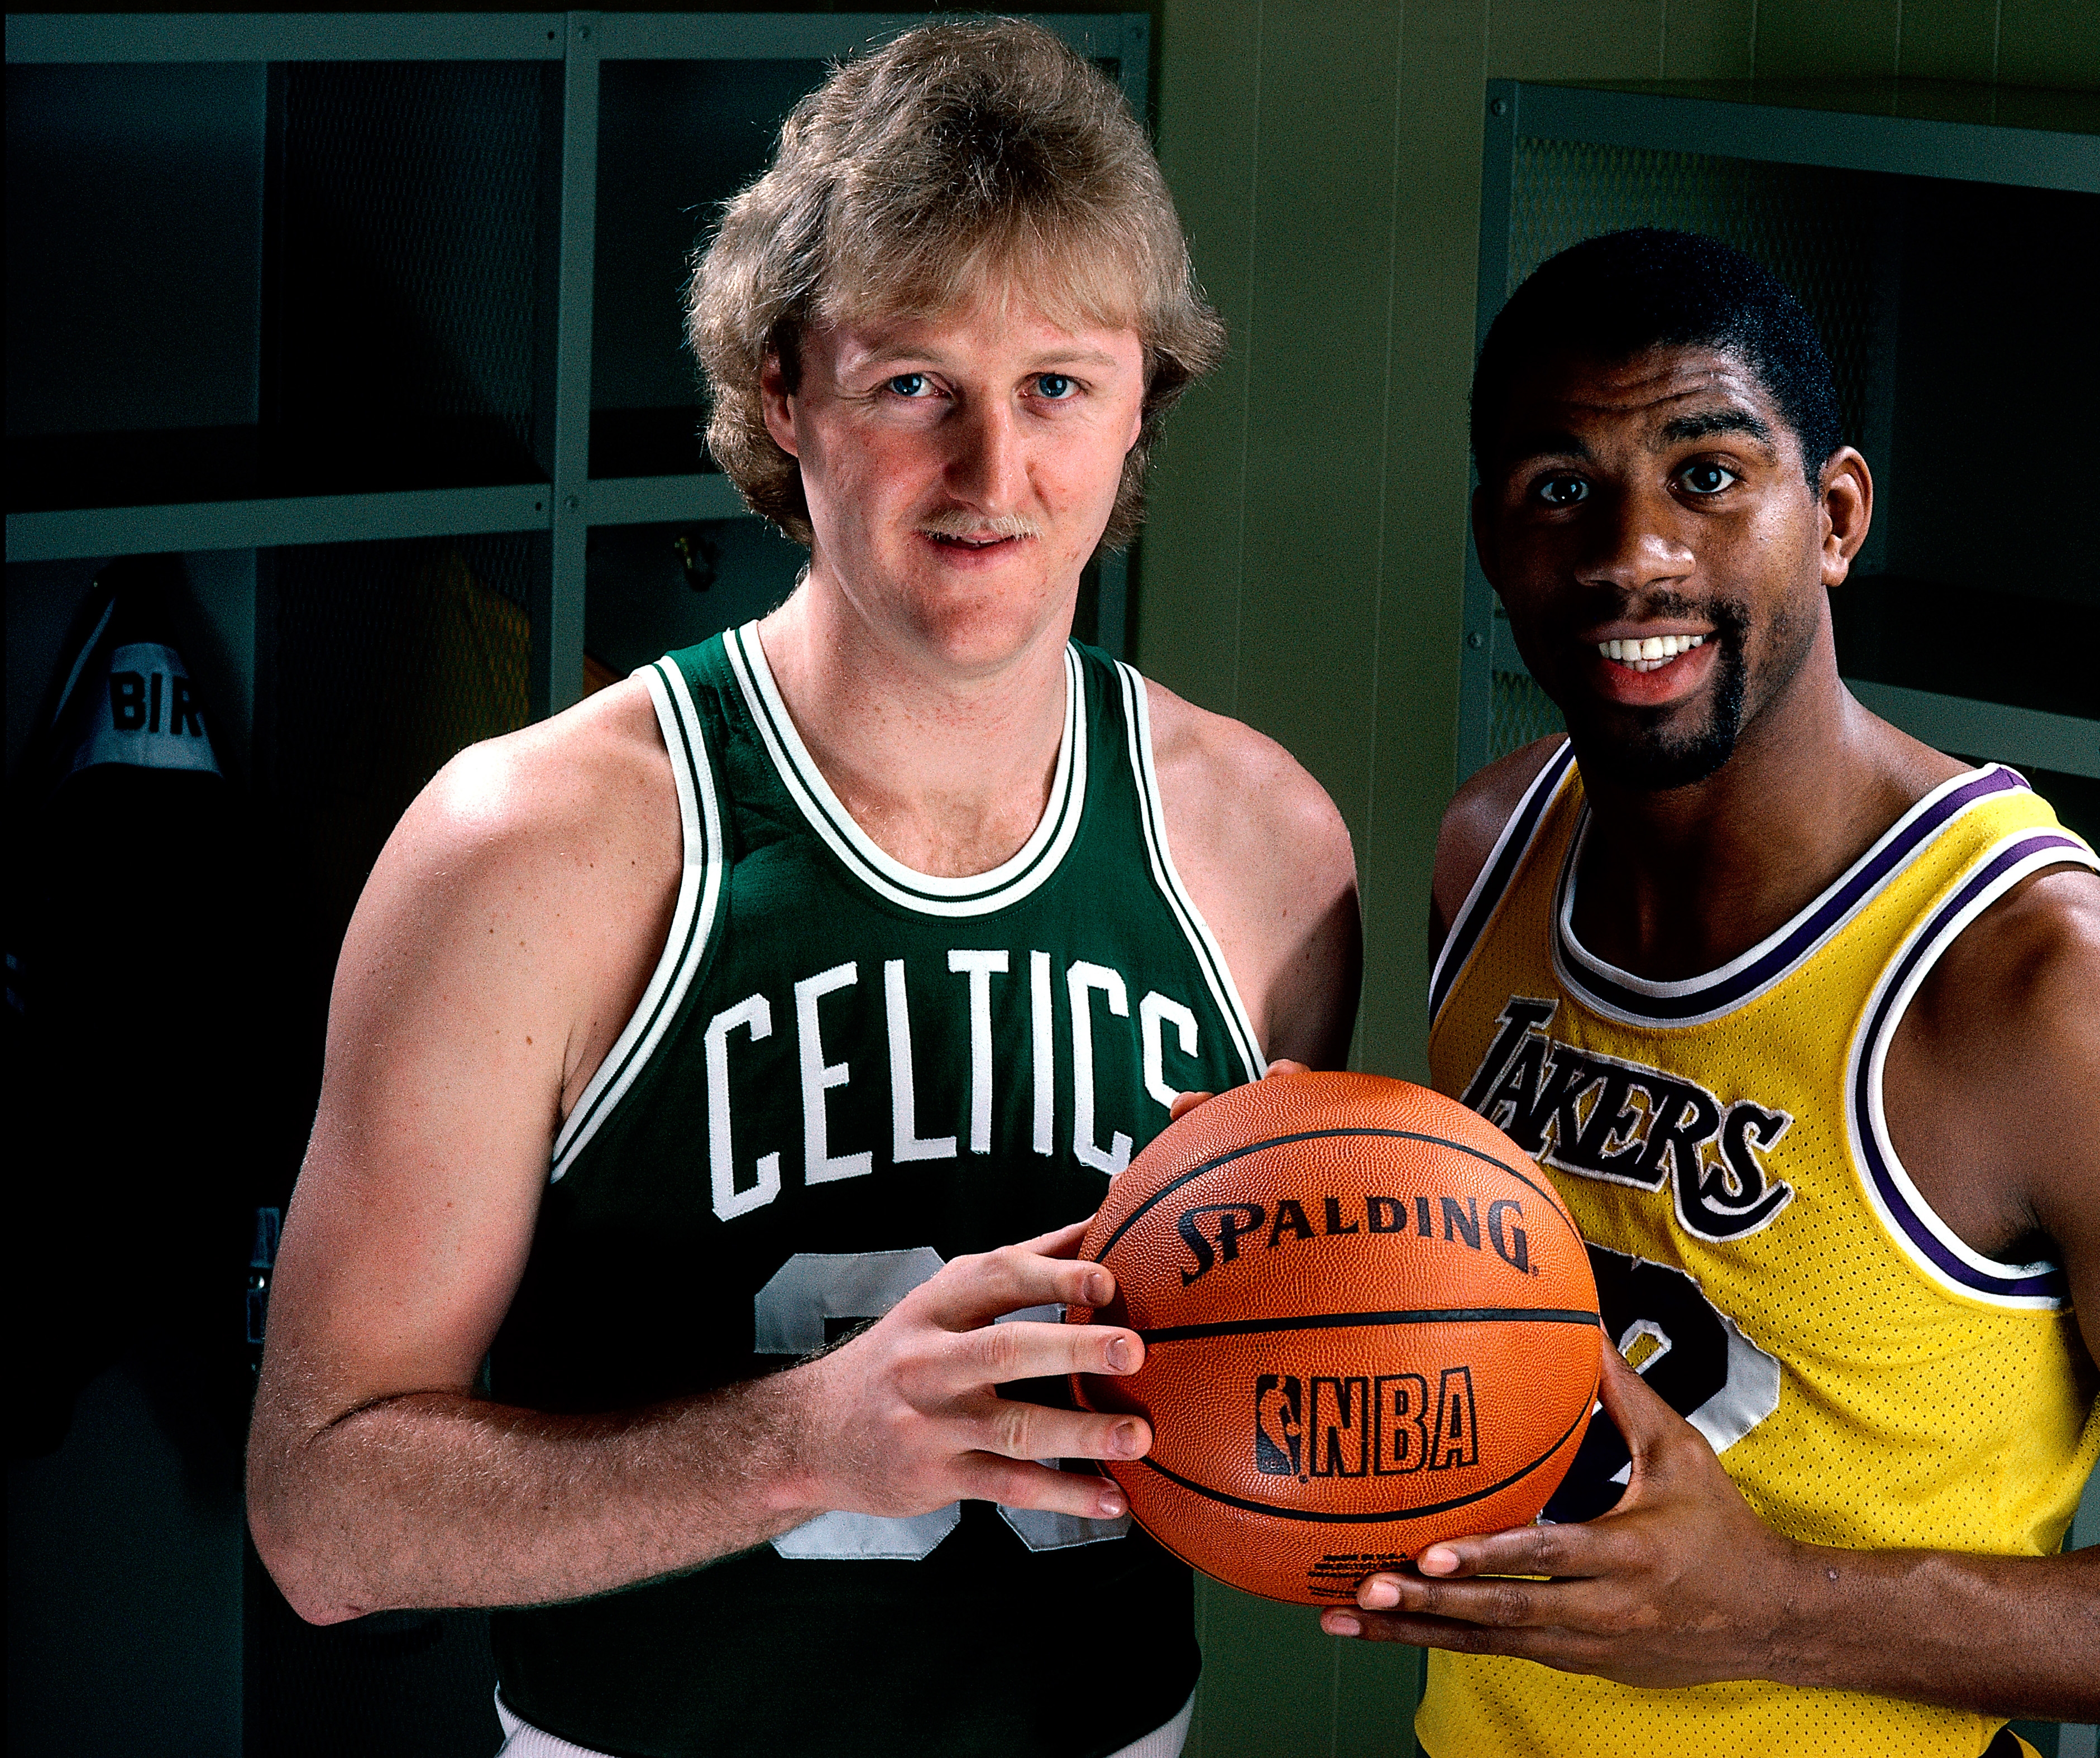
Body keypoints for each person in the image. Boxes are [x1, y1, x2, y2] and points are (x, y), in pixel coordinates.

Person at [245, 22, 1358, 1758]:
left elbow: (1252, 1395)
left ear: (1147, 394)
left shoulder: (1267, 847)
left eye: (1058, 383)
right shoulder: (530, 850)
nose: (994, 476)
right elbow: (322, 1525)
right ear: (785, 390)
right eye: (914, 384)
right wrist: (808, 1440)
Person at [1325, 228, 2100, 1757]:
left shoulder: (2050, 994)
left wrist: (1774, 1606)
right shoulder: (1492, 847)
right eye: (1560, 491)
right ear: (1495, 538)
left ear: (1835, 516)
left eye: (1707, 476)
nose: (1634, 553)